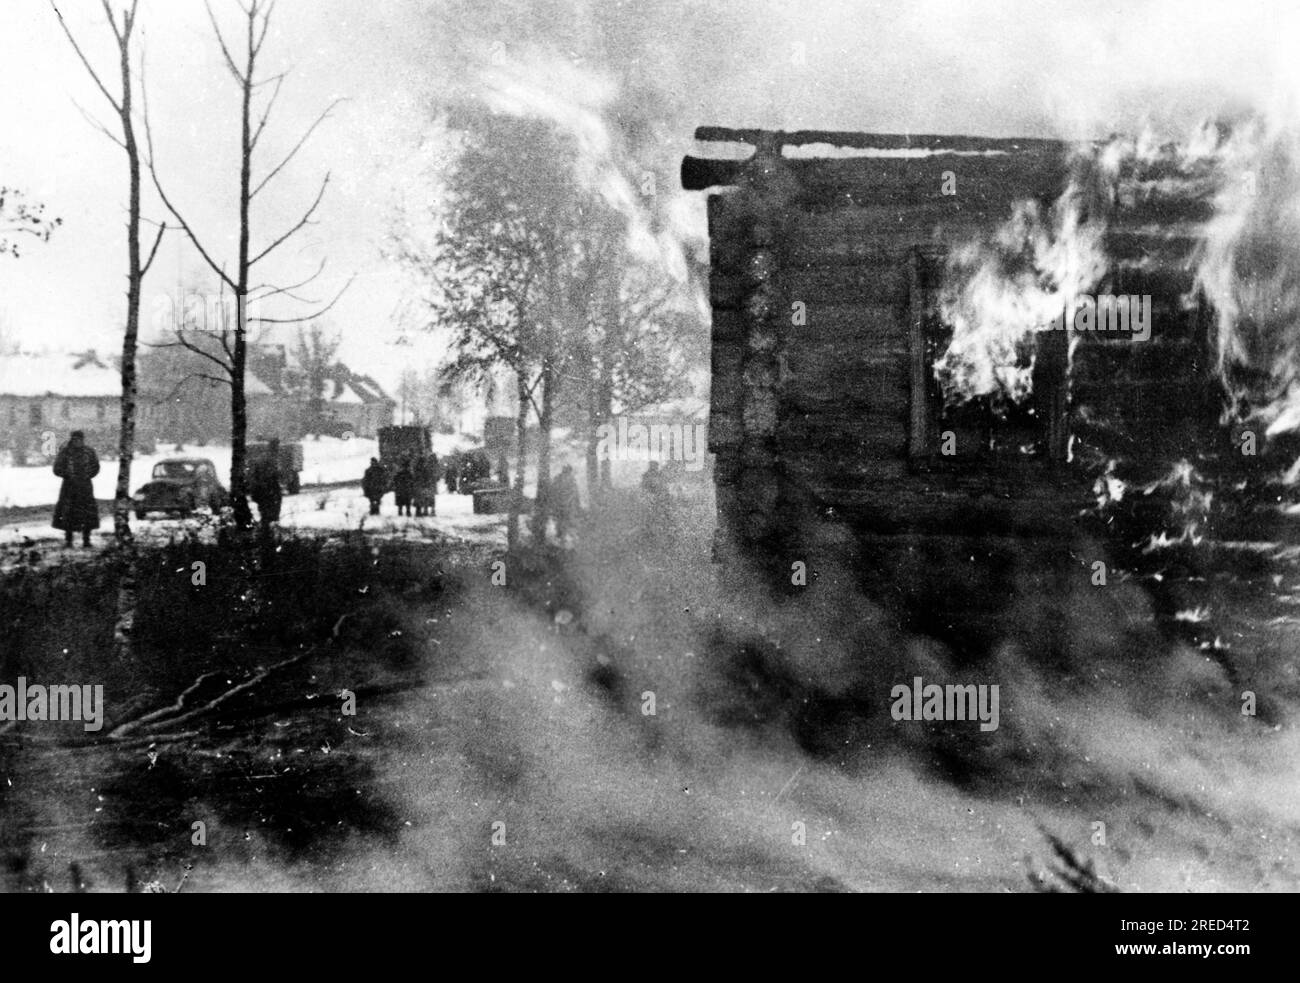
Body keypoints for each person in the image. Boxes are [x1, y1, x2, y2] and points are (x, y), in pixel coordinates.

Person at [52, 430, 100, 548]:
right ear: (72, 439)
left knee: (87, 514)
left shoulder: (89, 452)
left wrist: (88, 475)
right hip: (69, 488)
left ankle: (86, 540)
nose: (77, 441)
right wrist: (67, 474)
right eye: (75, 439)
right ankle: (68, 540)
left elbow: (96, 466)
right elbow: (57, 468)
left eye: (80, 439)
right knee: (68, 514)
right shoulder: (65, 452)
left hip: (85, 488)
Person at [248, 438, 283, 530]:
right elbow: (272, 474)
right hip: (268, 489)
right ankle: (268, 532)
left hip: (260, 489)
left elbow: (254, 474)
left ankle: (265, 530)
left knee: (265, 513)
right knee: (271, 514)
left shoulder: (262, 457)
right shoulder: (271, 458)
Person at [549, 463, 581, 543]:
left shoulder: (559, 479)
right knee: (564, 520)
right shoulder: (569, 480)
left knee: (562, 520)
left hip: (562, 504)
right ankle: (564, 537)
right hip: (565, 504)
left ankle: (563, 536)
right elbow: (575, 493)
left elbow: (553, 491)